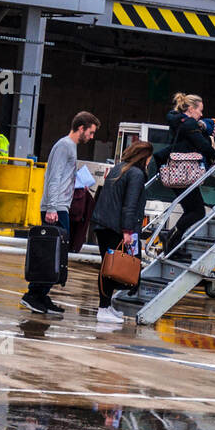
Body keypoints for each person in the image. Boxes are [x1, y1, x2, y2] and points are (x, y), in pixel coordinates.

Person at [23, 110, 100, 315]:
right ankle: (33, 295)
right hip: (56, 208)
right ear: (81, 128)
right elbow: (54, 177)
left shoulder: (70, 147)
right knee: (53, 255)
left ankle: (41, 295)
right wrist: (51, 208)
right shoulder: (65, 146)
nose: (91, 137)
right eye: (90, 132)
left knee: (56, 255)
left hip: (59, 206)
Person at [91, 139, 151, 324]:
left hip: (104, 224)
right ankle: (103, 308)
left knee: (109, 266)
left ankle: (107, 305)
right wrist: (127, 231)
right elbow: (130, 205)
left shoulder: (119, 168)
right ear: (144, 157)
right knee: (111, 269)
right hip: (116, 227)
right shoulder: (136, 174)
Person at [163, 93, 215, 254]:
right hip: (185, 172)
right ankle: (170, 237)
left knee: (191, 210)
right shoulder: (188, 125)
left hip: (177, 171)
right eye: (199, 110)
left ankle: (173, 244)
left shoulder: (178, 122)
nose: (201, 114)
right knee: (197, 211)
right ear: (190, 109)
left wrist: (201, 126)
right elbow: (202, 145)